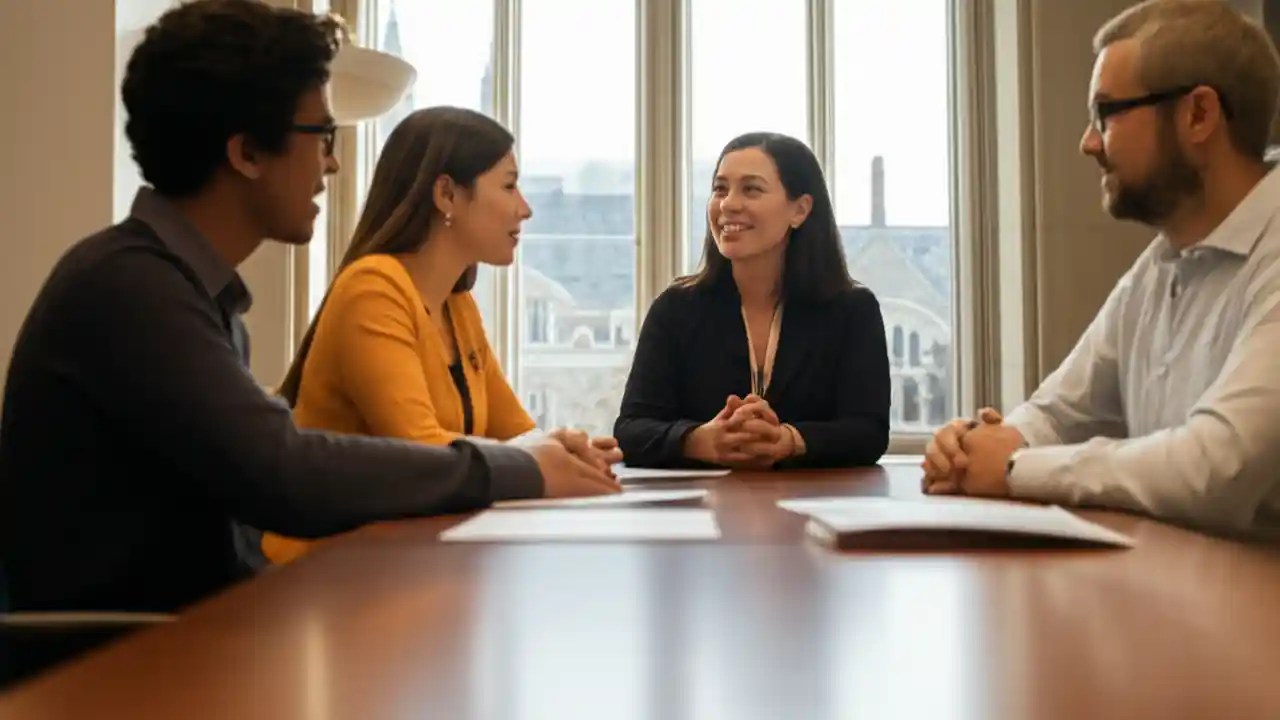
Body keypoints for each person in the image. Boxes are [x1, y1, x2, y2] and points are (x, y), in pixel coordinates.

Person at [0, 0, 618, 614]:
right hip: (118, 669)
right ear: (246, 153)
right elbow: (285, 473)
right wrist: (522, 470)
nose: (333, 161)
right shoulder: (129, 290)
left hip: (205, 637)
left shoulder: (183, 290)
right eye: (320, 135)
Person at [922, 0, 1280, 537]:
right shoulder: (1159, 266)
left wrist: (1015, 467)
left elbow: (1216, 467)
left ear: (1198, 115)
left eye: (1105, 114)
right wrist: (980, 449)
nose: (1088, 143)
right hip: (1183, 591)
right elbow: (1057, 413)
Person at [262, 107, 621, 563]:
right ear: (447, 194)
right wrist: (541, 456)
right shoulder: (373, 290)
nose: (525, 207)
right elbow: (421, 454)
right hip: (321, 571)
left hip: (407, 560)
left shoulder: (458, 306)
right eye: (509, 185)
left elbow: (517, 434)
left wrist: (568, 449)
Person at [614, 132, 890, 469]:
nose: (728, 204)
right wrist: (700, 440)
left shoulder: (852, 310)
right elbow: (632, 429)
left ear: (800, 210)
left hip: (809, 508)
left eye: (751, 189)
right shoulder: (675, 308)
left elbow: (868, 431)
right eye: (720, 189)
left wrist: (789, 440)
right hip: (701, 513)